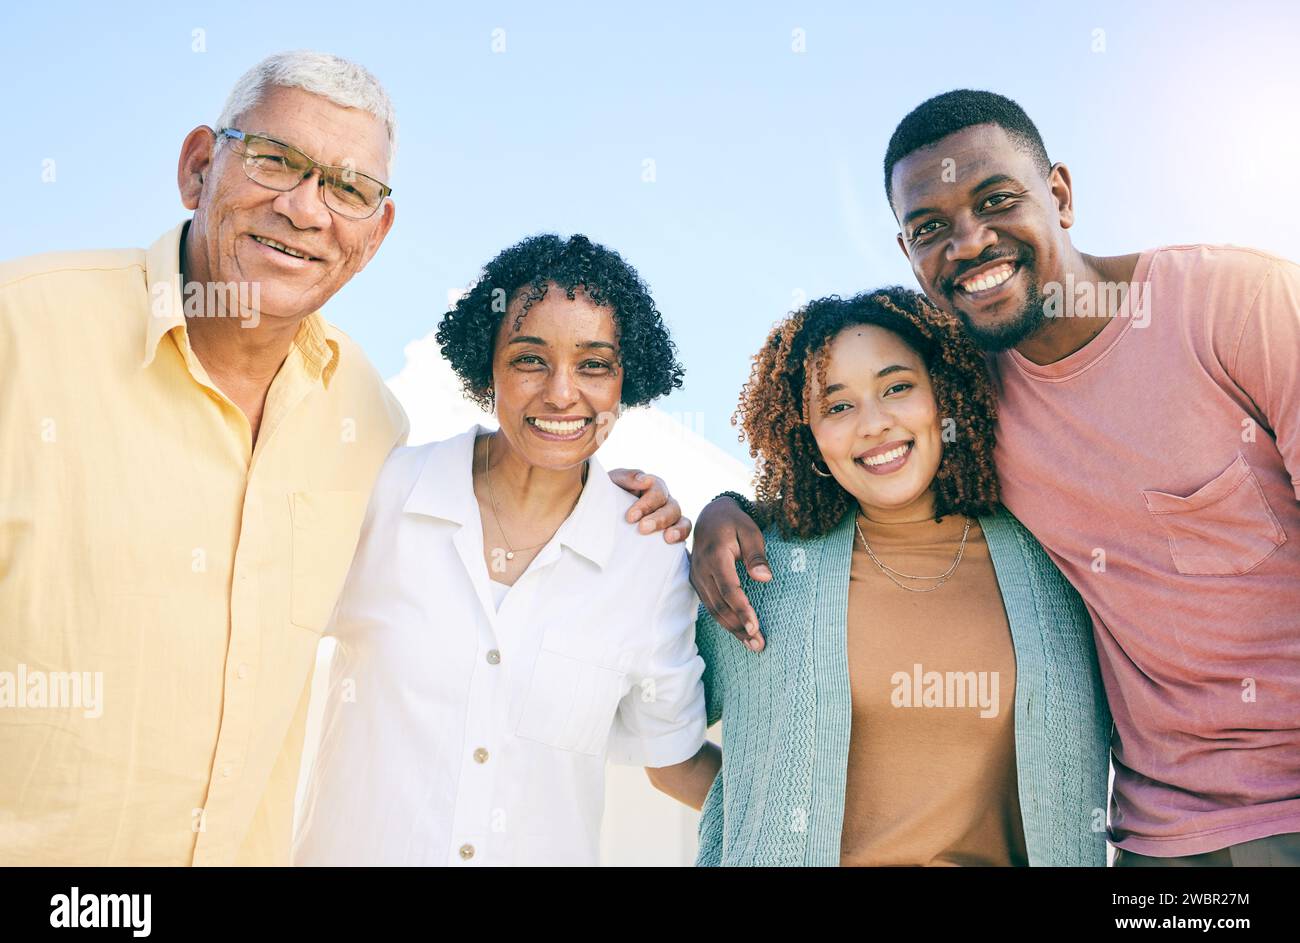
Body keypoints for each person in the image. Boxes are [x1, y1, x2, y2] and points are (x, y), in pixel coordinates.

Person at [0, 52, 687, 866]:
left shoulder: (365, 421)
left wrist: (718, 522)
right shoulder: (23, 332)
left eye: (348, 187)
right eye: (274, 160)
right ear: (197, 167)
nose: (303, 208)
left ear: (375, 232)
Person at [691, 90, 1300, 866]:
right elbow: (856, 449)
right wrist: (727, 506)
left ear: (1063, 194)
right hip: (1161, 840)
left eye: (997, 200)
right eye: (931, 228)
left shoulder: (1238, 306)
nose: (970, 242)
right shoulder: (971, 401)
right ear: (908, 251)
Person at [293, 234, 717, 866]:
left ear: (627, 379)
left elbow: (674, 759)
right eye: (529, 359)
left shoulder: (649, 560)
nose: (561, 393)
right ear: (486, 364)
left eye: (595, 364)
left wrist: (852, 836)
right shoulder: (383, 494)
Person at [651, 287, 1109, 866]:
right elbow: (665, 754)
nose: (874, 423)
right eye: (838, 406)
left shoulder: (1050, 556)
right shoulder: (765, 572)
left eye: (897, 387)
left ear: (944, 396)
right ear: (808, 435)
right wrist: (761, 819)